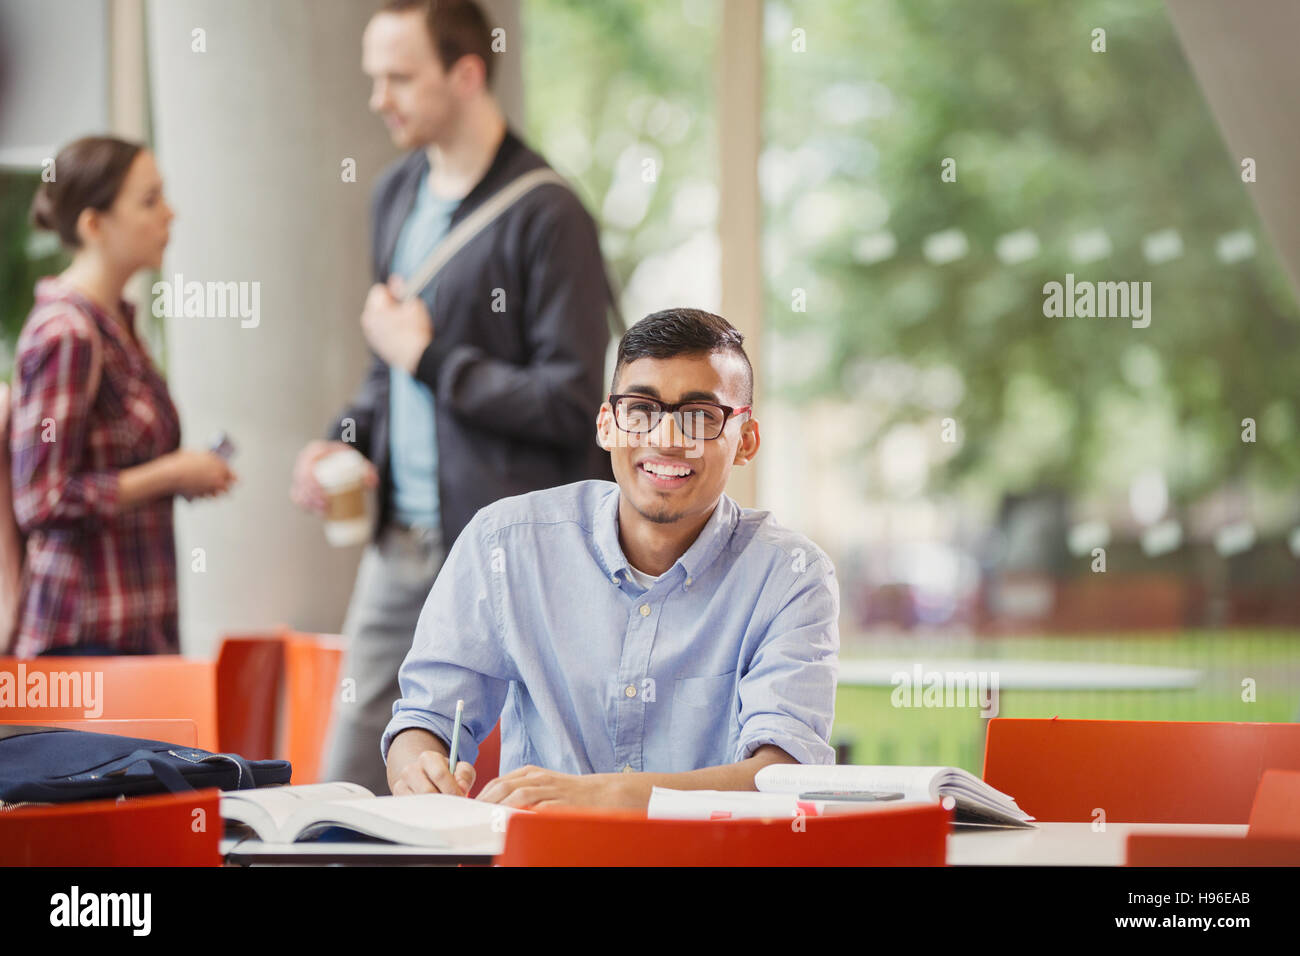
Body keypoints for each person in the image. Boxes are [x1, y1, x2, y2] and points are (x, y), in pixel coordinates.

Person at [289, 0, 614, 793]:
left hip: (519, 549)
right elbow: (385, 370)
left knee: (541, 782)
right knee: (353, 776)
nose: (379, 98)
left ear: (467, 73)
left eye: (400, 77)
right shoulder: (396, 194)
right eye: (375, 77)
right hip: (401, 542)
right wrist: (346, 439)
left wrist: (432, 356)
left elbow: (571, 403)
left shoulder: (550, 214)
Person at [384, 308, 839, 808]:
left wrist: (609, 797)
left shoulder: (793, 576)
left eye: (701, 417)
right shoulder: (504, 543)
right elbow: (423, 721)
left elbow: (783, 775)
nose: (666, 439)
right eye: (641, 410)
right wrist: (418, 768)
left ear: (746, 440)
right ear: (607, 424)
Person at [7, 136, 236, 658]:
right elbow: (41, 499)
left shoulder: (116, 326)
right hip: (82, 642)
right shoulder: (66, 333)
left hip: (132, 631)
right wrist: (172, 473)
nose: (170, 214)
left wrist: (177, 474)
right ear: (94, 225)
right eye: (149, 200)